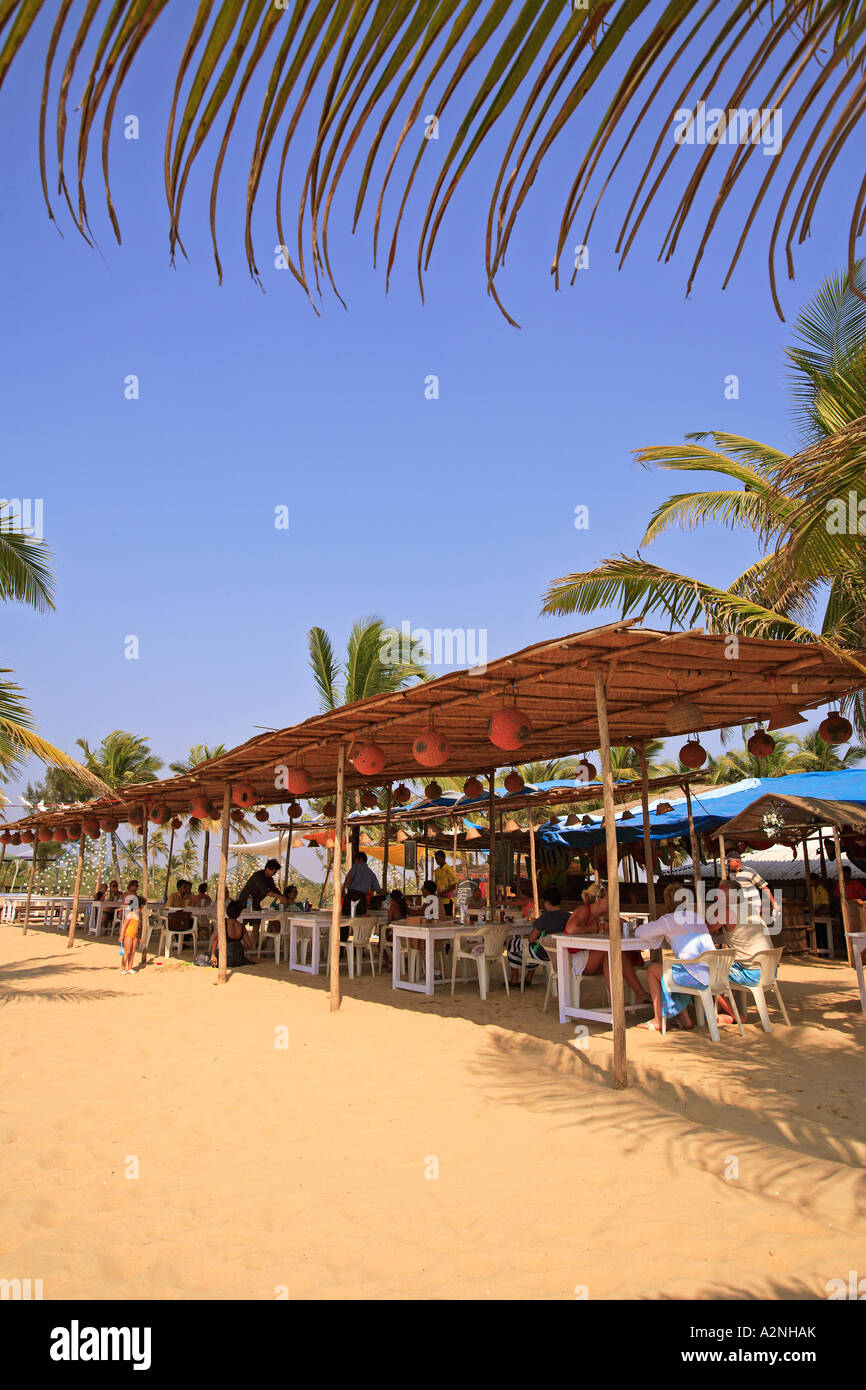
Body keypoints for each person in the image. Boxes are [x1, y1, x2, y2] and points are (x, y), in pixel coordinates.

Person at [634, 883, 716, 1032]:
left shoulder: (669, 920)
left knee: (654, 969)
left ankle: (658, 1019)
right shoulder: (696, 917)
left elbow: (641, 932)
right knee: (674, 968)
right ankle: (685, 1019)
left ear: (667, 902)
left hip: (693, 977)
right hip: (714, 974)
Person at [564, 885, 652, 1006]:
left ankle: (640, 994)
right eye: (608, 899)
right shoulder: (584, 910)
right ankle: (616, 998)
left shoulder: (602, 915)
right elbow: (570, 929)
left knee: (617, 952)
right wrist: (591, 928)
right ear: (598, 900)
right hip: (576, 959)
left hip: (592, 955)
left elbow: (623, 922)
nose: (611, 902)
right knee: (609, 951)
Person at [507, 886, 570, 985]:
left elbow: (532, 938)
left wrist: (526, 938)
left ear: (548, 903)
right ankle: (528, 978)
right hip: (562, 953)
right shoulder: (568, 916)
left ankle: (514, 980)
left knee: (514, 944)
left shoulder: (545, 916)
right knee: (531, 947)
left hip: (544, 953)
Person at [209, 900, 257, 968]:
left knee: (200, 959)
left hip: (225, 957)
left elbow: (216, 938)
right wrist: (241, 945)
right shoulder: (241, 926)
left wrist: (213, 954)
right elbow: (249, 945)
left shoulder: (224, 923)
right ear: (239, 913)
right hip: (238, 959)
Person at [341, 851, 381, 918]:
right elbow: (377, 889)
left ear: (360, 859)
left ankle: (346, 929)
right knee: (360, 920)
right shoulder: (371, 873)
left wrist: (343, 888)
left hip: (352, 895)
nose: (355, 862)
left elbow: (349, 877)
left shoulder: (356, 866)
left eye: (356, 860)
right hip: (362, 898)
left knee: (346, 918)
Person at [117, 879, 145, 976]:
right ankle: (123, 968)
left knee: (133, 952)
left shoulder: (137, 916)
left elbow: (137, 927)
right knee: (127, 952)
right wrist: (121, 936)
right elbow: (124, 925)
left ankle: (130, 967)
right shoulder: (130, 914)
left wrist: (138, 937)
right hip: (128, 935)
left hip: (134, 936)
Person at [432, 850, 457, 916]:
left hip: (448, 900)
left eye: (438, 858)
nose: (437, 861)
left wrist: (444, 893)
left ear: (443, 858)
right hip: (440, 899)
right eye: (436, 859)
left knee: (447, 918)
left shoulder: (449, 870)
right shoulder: (437, 871)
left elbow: (454, 885)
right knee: (440, 916)